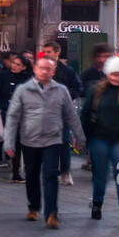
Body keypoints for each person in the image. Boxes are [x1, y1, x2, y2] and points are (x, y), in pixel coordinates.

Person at [3, 56, 85, 230]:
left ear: (53, 71)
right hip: (29, 140)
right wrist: (9, 142)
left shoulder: (61, 90)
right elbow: (13, 117)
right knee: (31, 175)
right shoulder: (23, 90)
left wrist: (79, 137)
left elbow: (71, 115)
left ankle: (51, 214)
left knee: (50, 176)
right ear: (35, 69)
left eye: (49, 69)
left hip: (52, 139)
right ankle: (33, 207)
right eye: (42, 68)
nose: (45, 71)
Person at [81, 55, 119, 229]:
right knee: (100, 176)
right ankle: (97, 204)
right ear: (107, 73)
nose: (117, 78)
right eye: (113, 74)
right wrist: (88, 136)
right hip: (99, 140)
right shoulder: (95, 91)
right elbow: (85, 114)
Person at [41, 41, 83, 186]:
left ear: (57, 53)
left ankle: (65, 171)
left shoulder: (67, 70)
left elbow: (78, 87)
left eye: (49, 51)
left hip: (62, 111)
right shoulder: (41, 69)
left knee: (64, 142)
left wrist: (63, 96)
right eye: (45, 51)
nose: (46, 54)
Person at [0, 51, 30, 178]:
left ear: (24, 67)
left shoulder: (28, 78)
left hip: (23, 114)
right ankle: (15, 168)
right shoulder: (2, 76)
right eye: (13, 63)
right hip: (6, 112)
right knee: (12, 140)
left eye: (18, 64)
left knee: (19, 142)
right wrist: (0, 107)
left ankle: (17, 169)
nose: (14, 66)